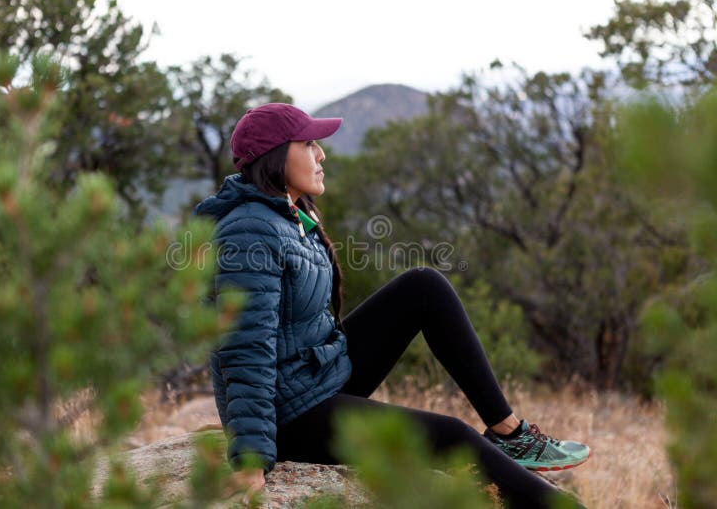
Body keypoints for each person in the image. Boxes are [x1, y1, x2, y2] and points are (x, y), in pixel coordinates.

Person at [192, 103, 591, 508]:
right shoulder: (248, 231)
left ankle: (509, 432)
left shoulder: (288, 213)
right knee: (451, 435)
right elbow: (245, 350)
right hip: (290, 419)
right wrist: (251, 459)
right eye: (309, 144)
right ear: (275, 156)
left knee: (424, 287)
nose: (321, 155)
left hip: (316, 377)